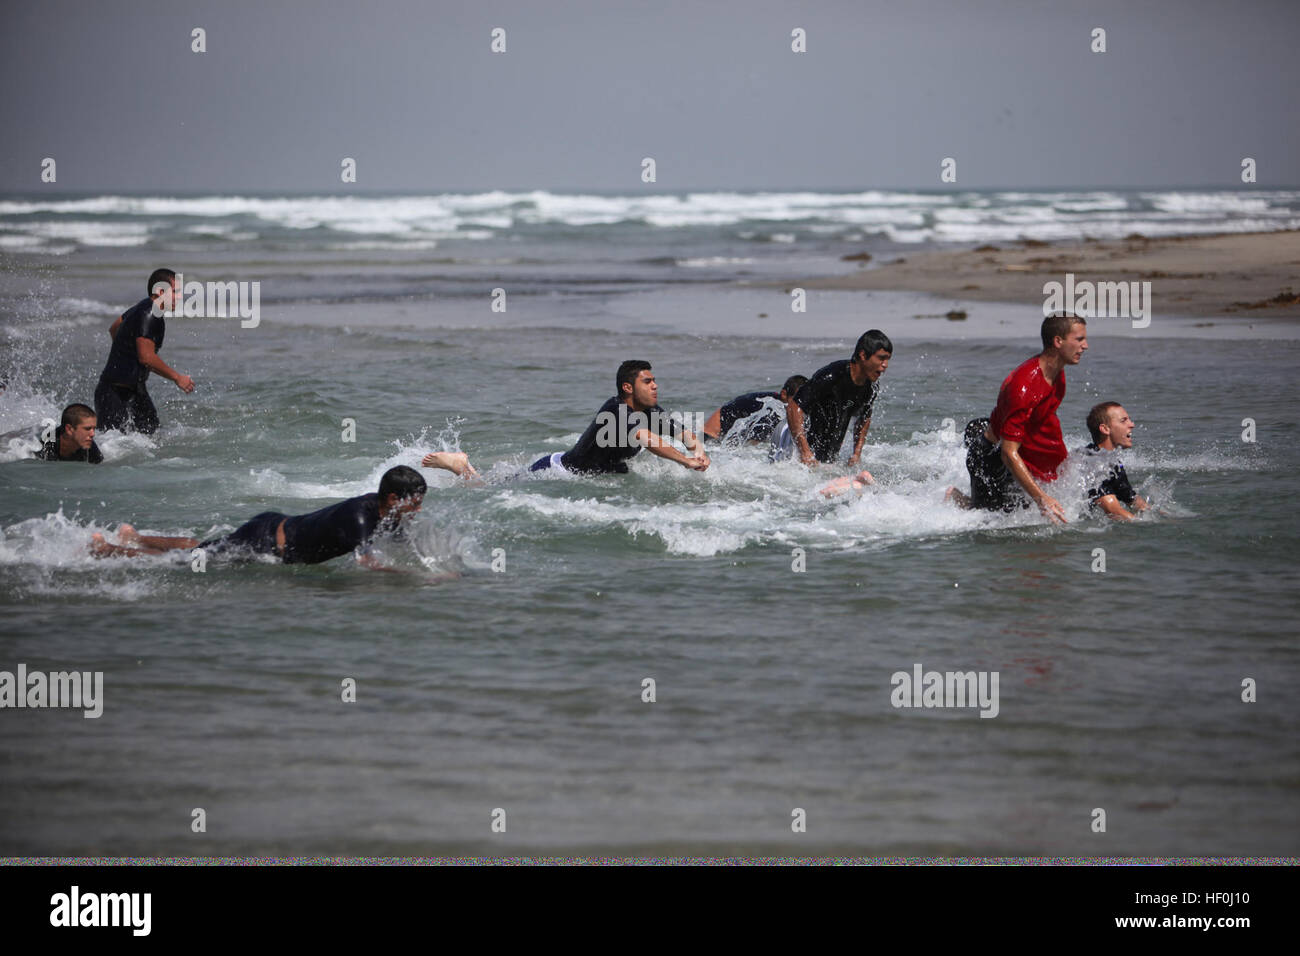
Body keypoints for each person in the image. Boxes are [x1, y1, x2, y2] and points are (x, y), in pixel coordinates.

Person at [89, 460, 472, 567]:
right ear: (393, 497)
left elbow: (409, 547)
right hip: (266, 541)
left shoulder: (391, 516)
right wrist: (414, 580)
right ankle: (108, 549)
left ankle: (135, 536)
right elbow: (367, 563)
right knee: (189, 561)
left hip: (273, 530)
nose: (418, 508)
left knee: (201, 547)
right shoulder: (361, 515)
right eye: (415, 502)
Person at [948, 313, 1087, 523]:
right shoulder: (1024, 387)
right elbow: (1007, 453)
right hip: (989, 458)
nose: (1085, 346)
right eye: (1079, 339)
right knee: (988, 521)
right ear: (1058, 341)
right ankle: (955, 498)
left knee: (1019, 511)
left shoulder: (1057, 373)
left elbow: (1045, 423)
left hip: (1013, 449)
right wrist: (1042, 498)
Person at [529, 360, 709, 475]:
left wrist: (699, 453)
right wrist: (685, 461)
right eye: (647, 382)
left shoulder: (651, 410)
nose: (655, 386)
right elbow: (649, 440)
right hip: (559, 472)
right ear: (628, 388)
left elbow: (684, 434)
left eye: (654, 381)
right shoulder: (616, 410)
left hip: (600, 476)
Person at [94, 268, 196, 434]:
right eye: (176, 292)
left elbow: (115, 328)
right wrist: (177, 378)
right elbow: (146, 358)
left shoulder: (142, 308)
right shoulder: (149, 314)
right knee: (112, 446)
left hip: (134, 391)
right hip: (113, 394)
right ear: (161, 291)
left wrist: (125, 352)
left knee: (152, 436)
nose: (179, 297)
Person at [781, 331, 891, 468]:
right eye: (881, 358)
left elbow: (864, 418)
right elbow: (793, 407)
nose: (885, 365)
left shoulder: (871, 387)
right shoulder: (831, 376)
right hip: (793, 449)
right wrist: (804, 452)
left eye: (887, 359)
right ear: (863, 355)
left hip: (825, 460)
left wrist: (856, 454)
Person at [1084, 402, 1149, 521]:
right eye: (1123, 420)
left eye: (1130, 419)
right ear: (1105, 429)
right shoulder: (1094, 462)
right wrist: (1150, 525)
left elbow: (1132, 499)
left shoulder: (1113, 463)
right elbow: (1113, 511)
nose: (1132, 424)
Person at [702, 375, 807, 444]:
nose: (799, 404)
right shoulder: (772, 409)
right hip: (714, 431)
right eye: (796, 399)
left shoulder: (781, 405)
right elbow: (753, 443)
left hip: (727, 428)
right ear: (784, 394)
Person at [33, 404, 103, 463]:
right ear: (69, 429)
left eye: (94, 429)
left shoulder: (88, 444)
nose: (92, 434)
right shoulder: (45, 447)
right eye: (87, 429)